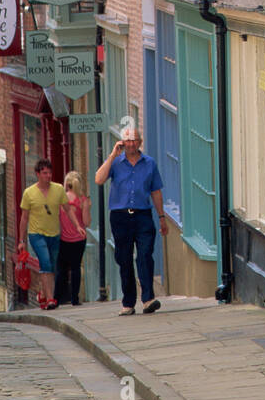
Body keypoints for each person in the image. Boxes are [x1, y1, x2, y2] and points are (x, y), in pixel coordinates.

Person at [95, 126, 168, 316]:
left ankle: (148, 299)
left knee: (145, 255)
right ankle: (128, 302)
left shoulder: (149, 163)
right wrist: (112, 155)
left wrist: (161, 217)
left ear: (140, 142)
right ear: (122, 143)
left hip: (143, 215)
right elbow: (99, 179)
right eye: (127, 141)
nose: (131, 144)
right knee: (124, 258)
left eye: (134, 140)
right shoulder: (116, 163)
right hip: (120, 217)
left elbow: (156, 192)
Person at [19, 159, 68, 310]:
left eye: (50, 173)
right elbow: (24, 218)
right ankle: (51, 299)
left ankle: (43, 292)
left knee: (51, 266)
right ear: (38, 174)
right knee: (46, 263)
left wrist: (78, 226)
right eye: (45, 173)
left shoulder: (58, 189)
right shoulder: (29, 193)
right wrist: (21, 240)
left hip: (54, 234)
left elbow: (68, 209)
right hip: (36, 234)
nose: (48, 176)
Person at [55, 171, 91, 307]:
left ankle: (57, 298)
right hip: (79, 239)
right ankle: (75, 298)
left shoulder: (61, 200)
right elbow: (87, 222)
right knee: (76, 268)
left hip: (63, 239)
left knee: (61, 269)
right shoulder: (83, 201)